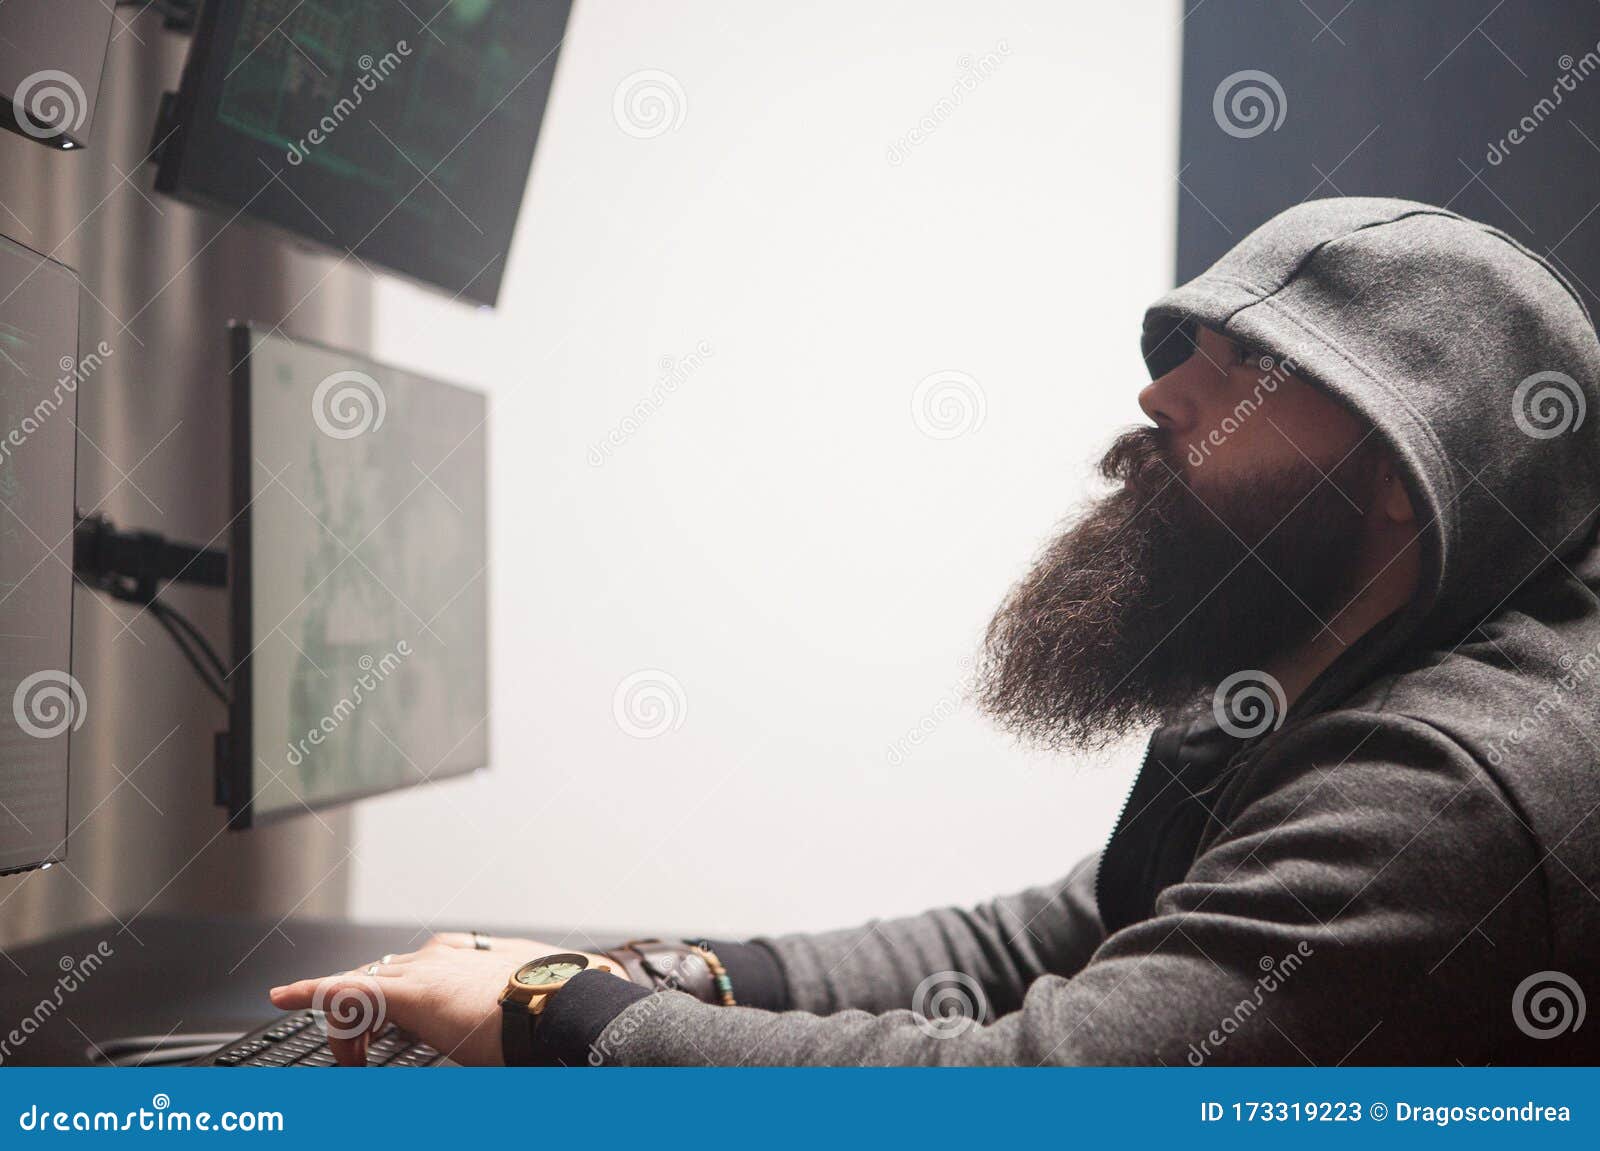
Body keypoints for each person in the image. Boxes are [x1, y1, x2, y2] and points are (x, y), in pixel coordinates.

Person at [271, 197, 1600, 1065]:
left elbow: (1048, 1097)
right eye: (1183, 347)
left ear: (1403, 474)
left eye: (1247, 371)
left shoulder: (1449, 794)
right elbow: (1062, 931)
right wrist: (682, 972)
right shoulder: (1319, 656)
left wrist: (559, 1009)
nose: (1161, 392)